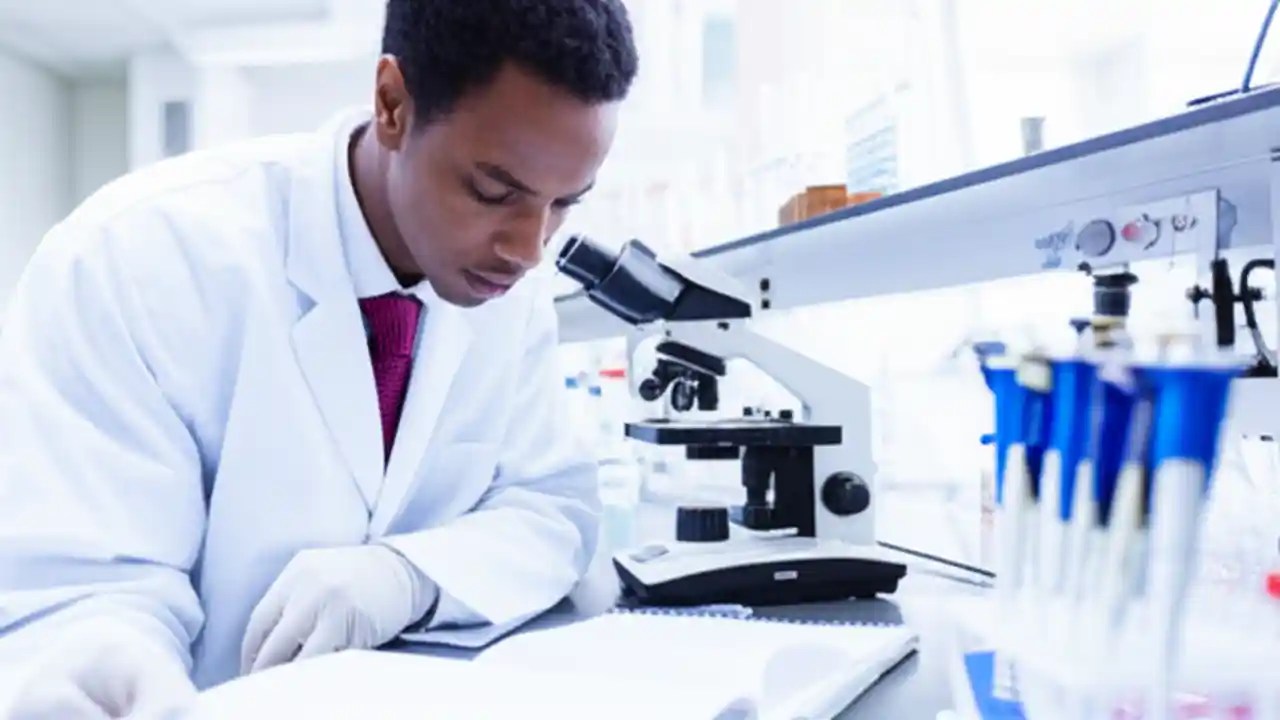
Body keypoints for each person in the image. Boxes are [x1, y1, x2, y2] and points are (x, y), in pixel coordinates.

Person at [0, 0, 638, 716]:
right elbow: (84, 593)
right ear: (392, 103)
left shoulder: (503, 282)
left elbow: (550, 505)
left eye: (564, 204)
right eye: (495, 191)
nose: (529, 249)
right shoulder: (140, 256)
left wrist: (408, 576)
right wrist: (116, 670)